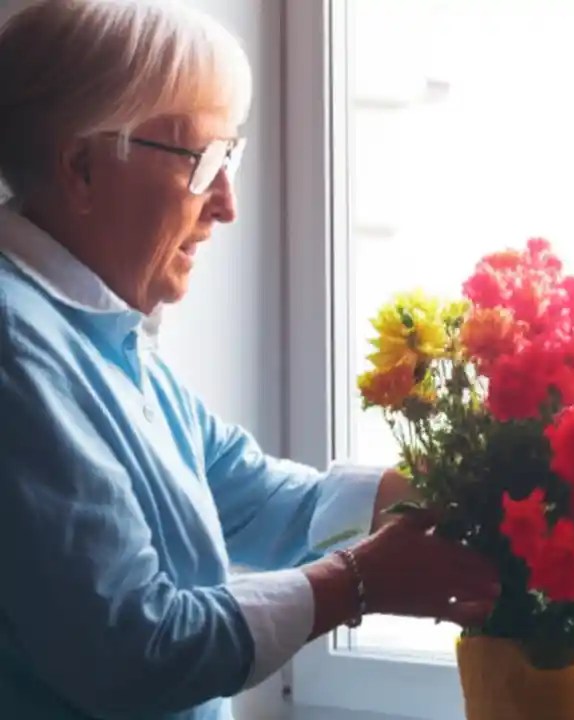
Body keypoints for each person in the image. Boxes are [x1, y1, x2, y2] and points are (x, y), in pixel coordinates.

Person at [0, 1, 499, 718]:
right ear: (81, 167)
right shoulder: (18, 355)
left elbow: (258, 498)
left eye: (229, 158)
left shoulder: (100, 333)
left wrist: (438, 487)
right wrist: (354, 586)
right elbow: (134, 648)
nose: (227, 205)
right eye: (204, 162)